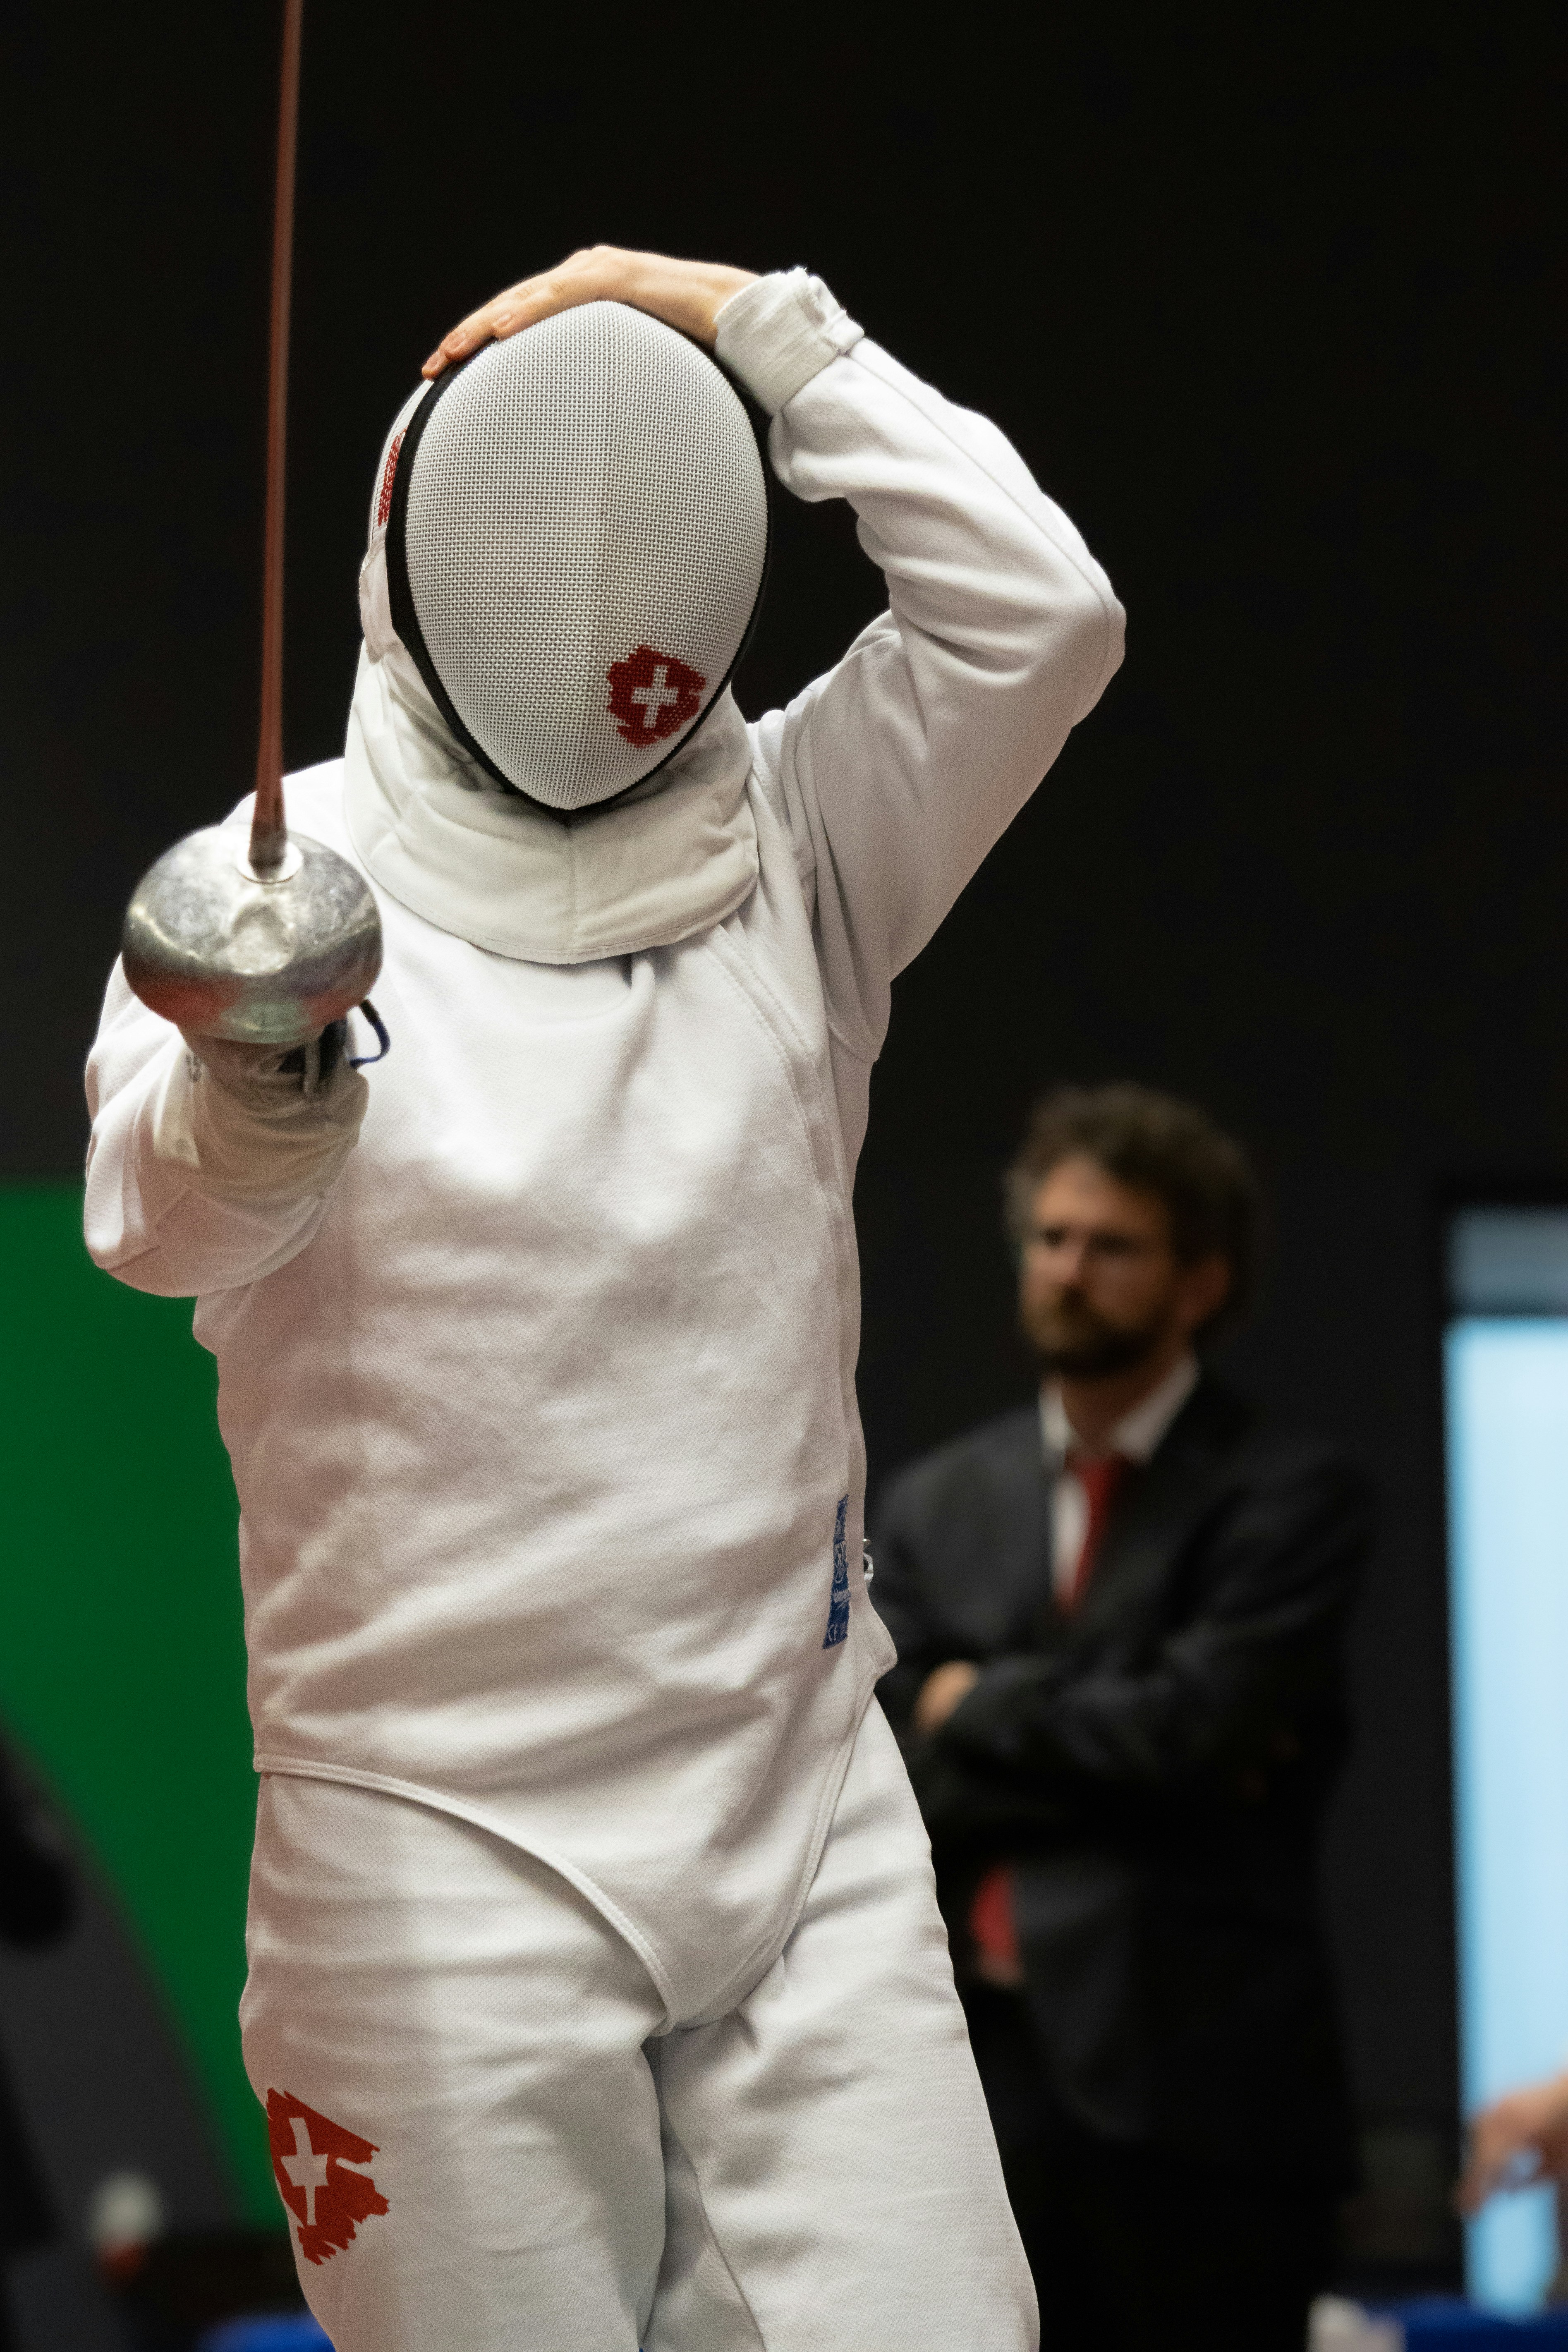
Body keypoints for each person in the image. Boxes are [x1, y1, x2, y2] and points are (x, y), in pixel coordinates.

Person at [83, 248, 1125, 2350]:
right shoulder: (278, 891)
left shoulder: (798, 831)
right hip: (439, 1861)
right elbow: (161, 1226)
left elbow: (1045, 615)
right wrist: (257, 1079)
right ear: (413, 558)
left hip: (797, 1820)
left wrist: (758, 328)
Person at [871, 1082, 1372, 2352]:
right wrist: (1112, 1733)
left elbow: (1195, 1736)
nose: (1070, 1270)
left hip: (1202, 2102)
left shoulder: (1289, 1493)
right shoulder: (934, 1503)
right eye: (1051, 1239)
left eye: (1113, 1246)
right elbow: (888, 1781)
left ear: (1201, 1282)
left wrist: (969, 1701)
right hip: (970, 2086)